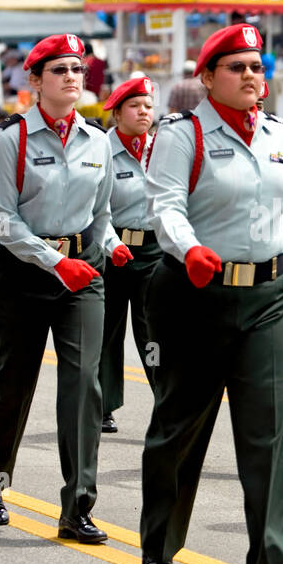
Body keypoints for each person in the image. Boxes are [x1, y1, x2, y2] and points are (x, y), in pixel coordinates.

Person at [140, 23, 283, 564]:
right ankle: (159, 544)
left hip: (270, 298)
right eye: (236, 67)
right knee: (180, 426)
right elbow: (165, 206)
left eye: (257, 68)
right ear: (208, 78)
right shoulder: (182, 134)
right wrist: (189, 250)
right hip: (196, 294)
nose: (250, 77)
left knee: (268, 436)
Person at [0, 34, 129, 536]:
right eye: (59, 70)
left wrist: (109, 243)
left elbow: (100, 212)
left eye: (77, 70)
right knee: (12, 385)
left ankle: (78, 505)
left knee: (84, 387)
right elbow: (2, 219)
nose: (71, 78)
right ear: (35, 81)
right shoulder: (11, 138)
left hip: (84, 272)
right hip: (24, 271)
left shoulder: (98, 141)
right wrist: (53, 263)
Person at [99, 75, 160, 436]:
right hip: (112, 249)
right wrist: (112, 244)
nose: (143, 112)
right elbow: (96, 209)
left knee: (153, 331)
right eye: (135, 106)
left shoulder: (163, 150)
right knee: (108, 329)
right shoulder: (101, 149)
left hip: (153, 252)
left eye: (148, 106)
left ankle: (165, 398)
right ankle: (104, 404)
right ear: (118, 112)